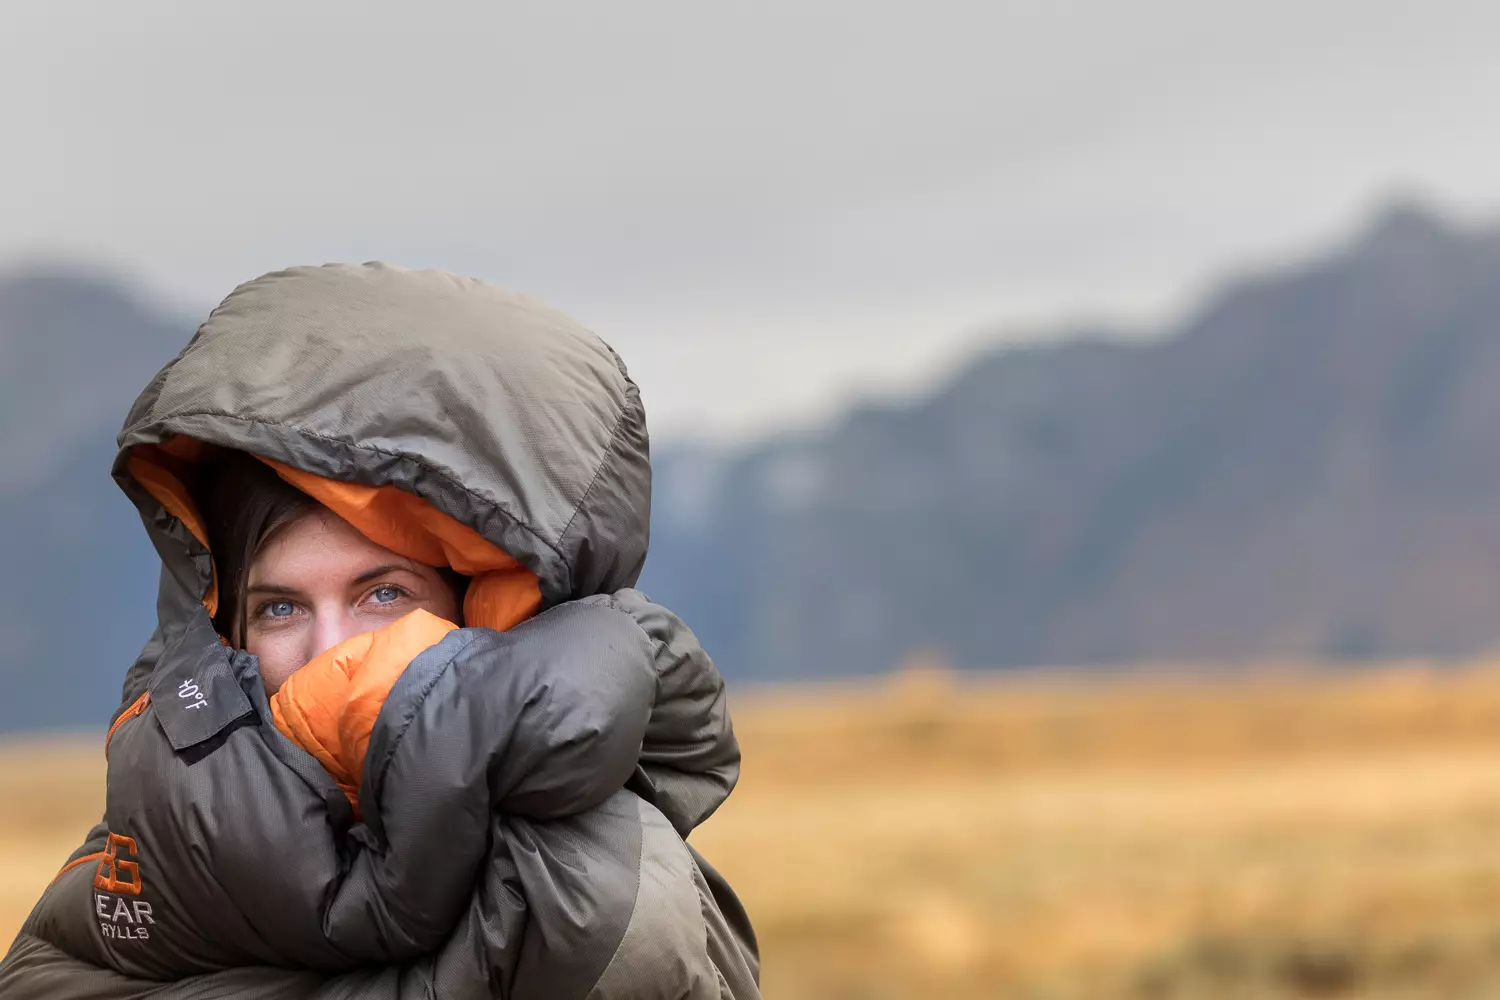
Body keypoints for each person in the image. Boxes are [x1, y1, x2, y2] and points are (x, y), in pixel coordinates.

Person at [0, 263, 761, 999]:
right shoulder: (152, 856)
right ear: (225, 629)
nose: (329, 649)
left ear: (490, 608)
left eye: (383, 594)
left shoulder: (599, 883)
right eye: (281, 608)